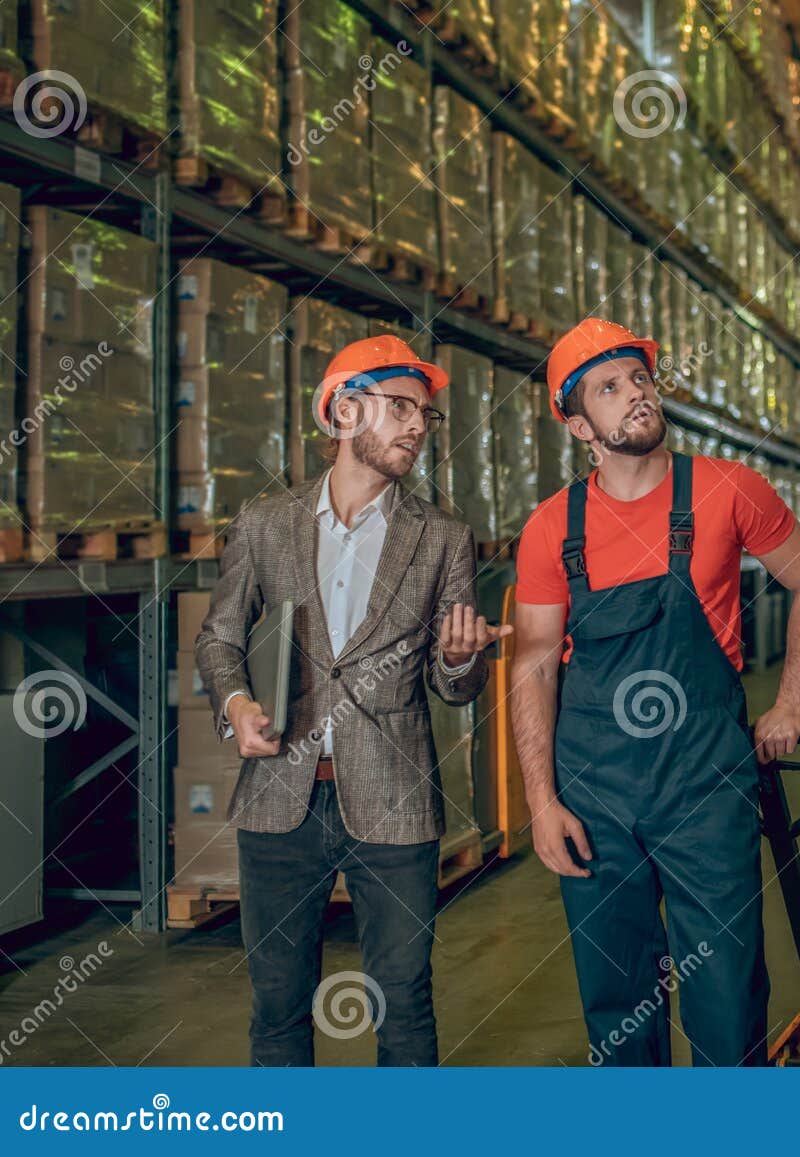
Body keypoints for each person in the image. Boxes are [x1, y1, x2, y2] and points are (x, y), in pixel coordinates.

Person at [508, 319, 800, 1066]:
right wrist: (540, 802)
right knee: (618, 994)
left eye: (639, 379)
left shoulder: (728, 490)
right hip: (594, 791)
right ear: (577, 423)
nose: (635, 396)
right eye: (610, 388)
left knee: (725, 983)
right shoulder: (551, 529)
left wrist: (788, 704)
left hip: (704, 781)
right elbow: (533, 663)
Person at [195, 334, 509, 1066]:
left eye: (424, 416)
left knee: (403, 999)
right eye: (400, 407)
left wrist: (460, 660)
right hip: (280, 797)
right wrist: (238, 704)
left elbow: (452, 686)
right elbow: (218, 639)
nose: (416, 427)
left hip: (395, 799)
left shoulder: (443, 539)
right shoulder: (266, 524)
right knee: (277, 1001)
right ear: (342, 410)